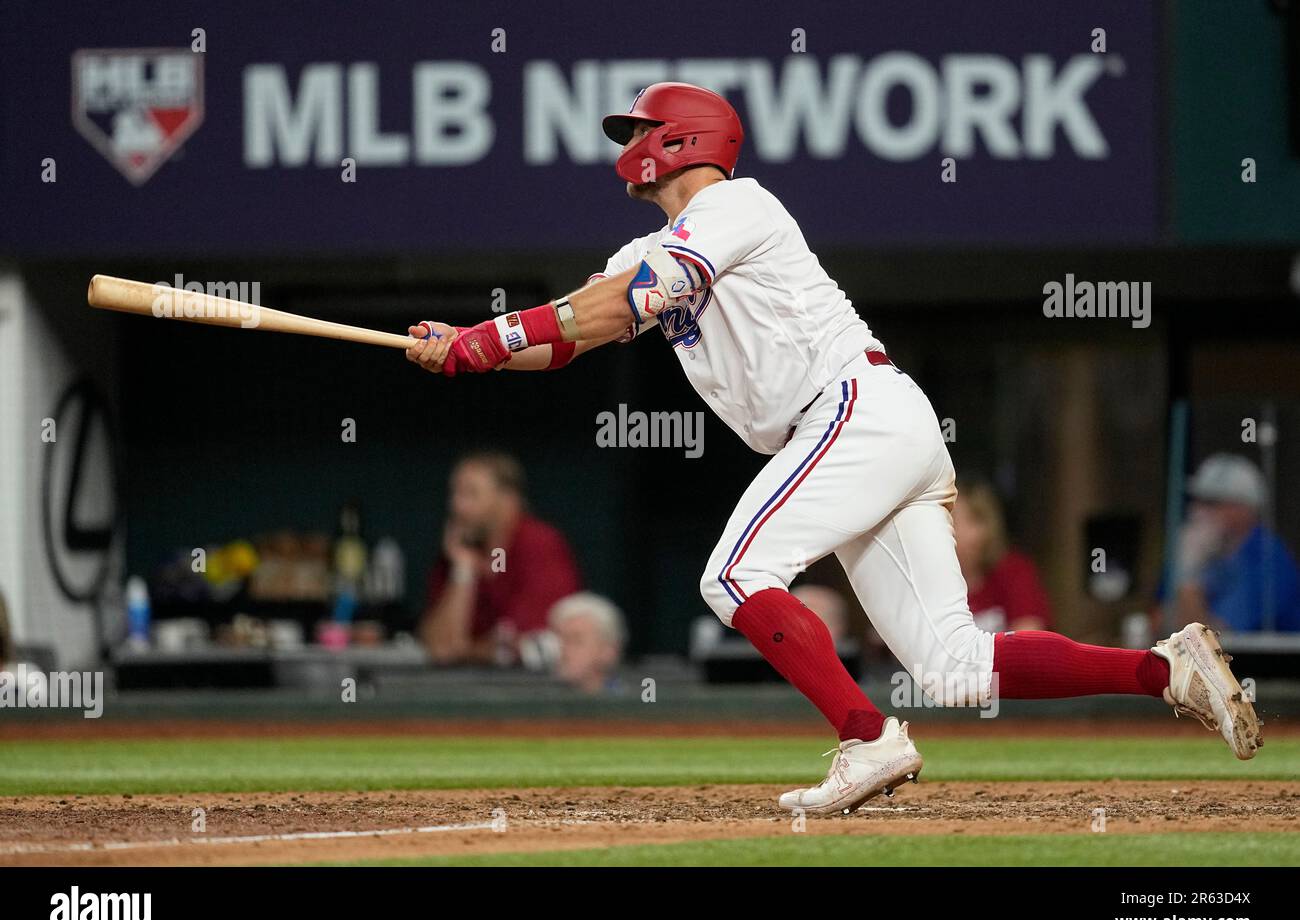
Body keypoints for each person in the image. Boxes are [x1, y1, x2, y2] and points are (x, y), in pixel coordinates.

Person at [405, 82, 1262, 814]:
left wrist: (486, 336)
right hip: (867, 429)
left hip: (851, 411)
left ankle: (867, 739)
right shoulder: (646, 246)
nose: (626, 148)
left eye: (636, 131)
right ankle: (1165, 672)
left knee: (733, 574)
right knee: (953, 667)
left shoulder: (734, 205)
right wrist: (465, 346)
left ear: (678, 138)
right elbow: (567, 339)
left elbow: (620, 305)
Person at [419, 451, 581, 665]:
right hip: (468, 689)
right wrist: (463, 571)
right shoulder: (459, 554)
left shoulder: (537, 544)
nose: (457, 506)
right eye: (455, 494)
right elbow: (439, 646)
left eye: (470, 494)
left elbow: (523, 646)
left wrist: (465, 650)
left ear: (508, 499)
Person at [1172, 453, 1300, 632]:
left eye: (1212, 502)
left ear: (1244, 509)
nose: (1198, 510)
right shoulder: (1202, 550)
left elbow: (1208, 643)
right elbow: (1157, 623)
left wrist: (1188, 578)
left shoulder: (1268, 560)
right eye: (1196, 499)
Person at [953, 479, 1052, 633]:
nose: (954, 531)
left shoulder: (1014, 571)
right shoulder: (928, 584)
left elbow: (1028, 638)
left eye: (971, 521)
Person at [548, 592, 626, 694]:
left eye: (575, 640)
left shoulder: (634, 704)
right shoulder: (541, 701)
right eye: (558, 640)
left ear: (608, 650)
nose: (561, 648)